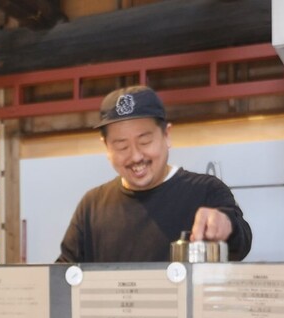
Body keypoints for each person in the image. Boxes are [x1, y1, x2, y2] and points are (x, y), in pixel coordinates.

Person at [57, 85, 253, 263]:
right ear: (106, 147)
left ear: (166, 135)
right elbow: (62, 273)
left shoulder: (206, 190)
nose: (135, 156)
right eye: (121, 146)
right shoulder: (92, 205)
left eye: (144, 141)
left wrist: (227, 225)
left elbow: (241, 244)